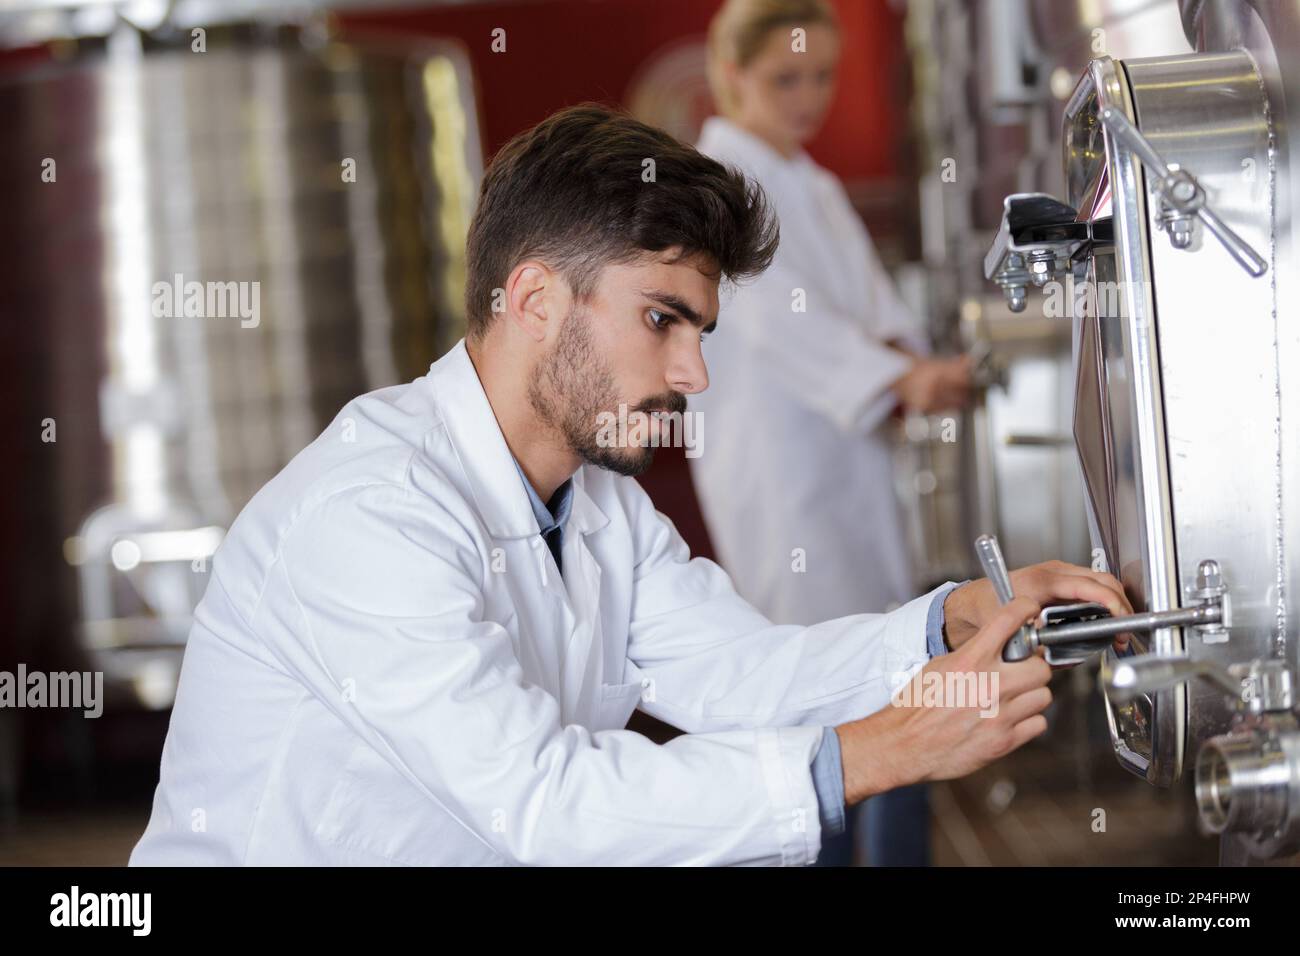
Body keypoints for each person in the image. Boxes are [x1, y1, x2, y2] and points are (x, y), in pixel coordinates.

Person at [130, 104, 1131, 866]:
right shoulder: (370, 512)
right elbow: (545, 800)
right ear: (532, 298)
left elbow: (746, 677)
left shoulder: (601, 509)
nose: (695, 376)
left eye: (702, 332)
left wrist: (948, 622)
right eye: (662, 320)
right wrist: (880, 750)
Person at [692, 0, 972, 865]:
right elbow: (783, 323)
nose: (807, 98)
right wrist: (900, 377)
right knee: (822, 698)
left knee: (886, 677)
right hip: (785, 483)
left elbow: (870, 306)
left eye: (821, 77)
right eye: (785, 78)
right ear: (732, 74)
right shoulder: (722, 181)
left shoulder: (805, 179)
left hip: (846, 472)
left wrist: (910, 360)